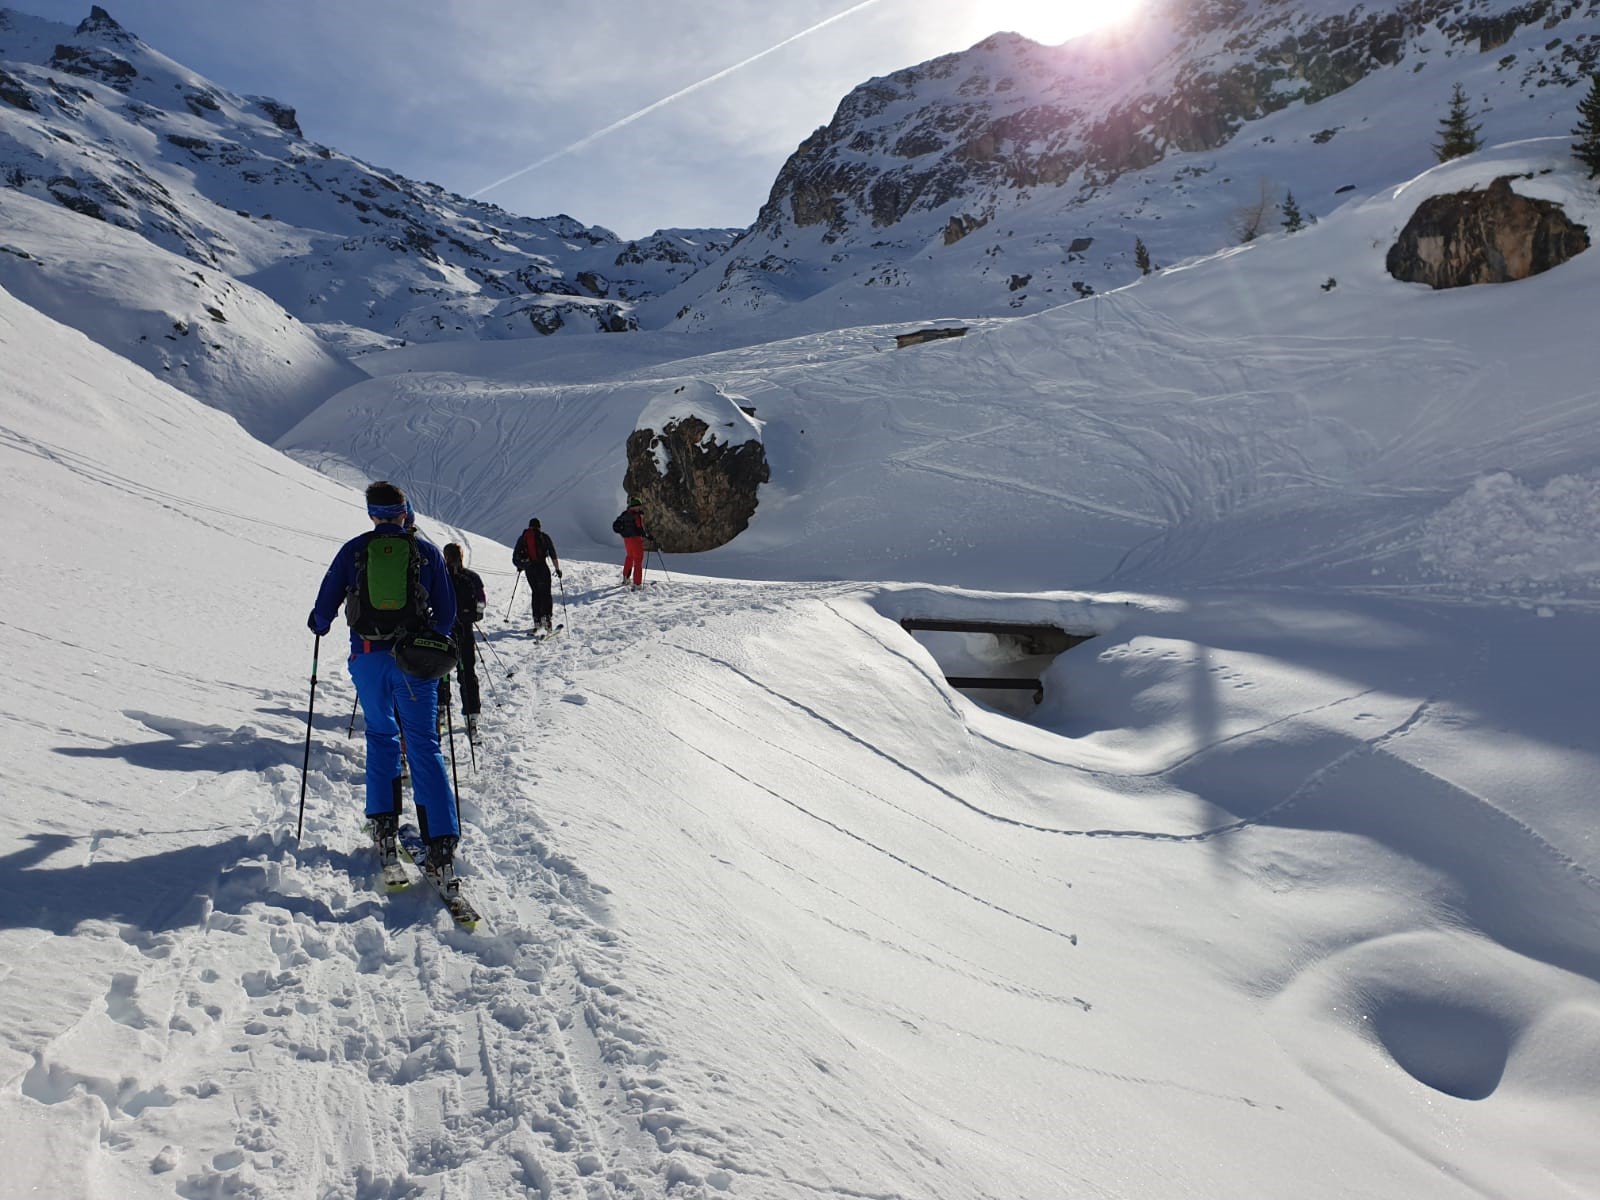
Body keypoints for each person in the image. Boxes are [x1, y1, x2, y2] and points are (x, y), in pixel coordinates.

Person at [306, 481, 461, 877]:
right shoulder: (425, 552)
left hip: (368, 659)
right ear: (404, 512)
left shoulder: (354, 550)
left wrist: (320, 623)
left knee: (380, 735)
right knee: (425, 744)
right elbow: (446, 616)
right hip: (413, 663)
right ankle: (440, 842)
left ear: (373, 513)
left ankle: (384, 823)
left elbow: (323, 611)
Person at [438, 542, 486, 742]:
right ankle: (472, 715)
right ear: (461, 556)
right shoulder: (472, 577)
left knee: (441, 671)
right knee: (467, 672)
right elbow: (481, 604)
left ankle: (440, 709)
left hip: (441, 632)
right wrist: (471, 617)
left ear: (445, 557)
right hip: (464, 632)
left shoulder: (439, 577)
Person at [510, 517, 562, 632]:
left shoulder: (523, 538)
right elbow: (553, 554)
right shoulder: (544, 537)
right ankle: (546, 619)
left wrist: (522, 565)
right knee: (545, 593)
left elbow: (515, 556)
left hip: (529, 570)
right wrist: (557, 569)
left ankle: (537, 620)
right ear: (539, 526)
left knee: (536, 593)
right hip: (542, 568)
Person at [614, 497, 647, 590]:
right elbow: (640, 528)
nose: (640, 507)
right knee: (638, 560)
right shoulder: (637, 516)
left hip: (627, 540)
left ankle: (626, 579)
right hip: (636, 539)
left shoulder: (624, 514)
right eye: (638, 506)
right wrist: (647, 536)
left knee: (629, 557)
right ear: (634, 506)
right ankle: (637, 583)